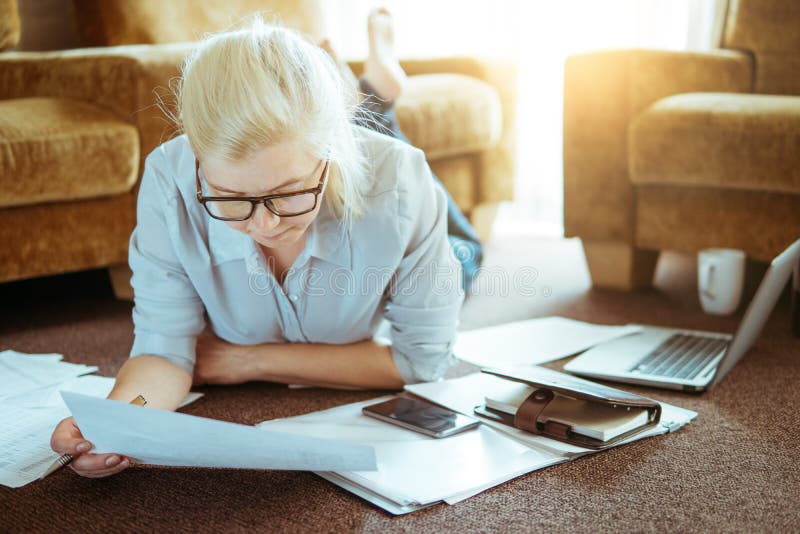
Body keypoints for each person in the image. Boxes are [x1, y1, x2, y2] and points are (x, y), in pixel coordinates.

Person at [49, 9, 481, 479]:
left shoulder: (400, 179)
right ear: (196, 158)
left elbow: (424, 359)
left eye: (290, 191)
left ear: (330, 154)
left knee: (468, 256)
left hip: (395, 199)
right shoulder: (169, 179)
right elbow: (163, 350)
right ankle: (374, 94)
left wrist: (246, 360)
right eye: (232, 198)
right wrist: (116, 423)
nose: (267, 224)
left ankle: (378, 99)